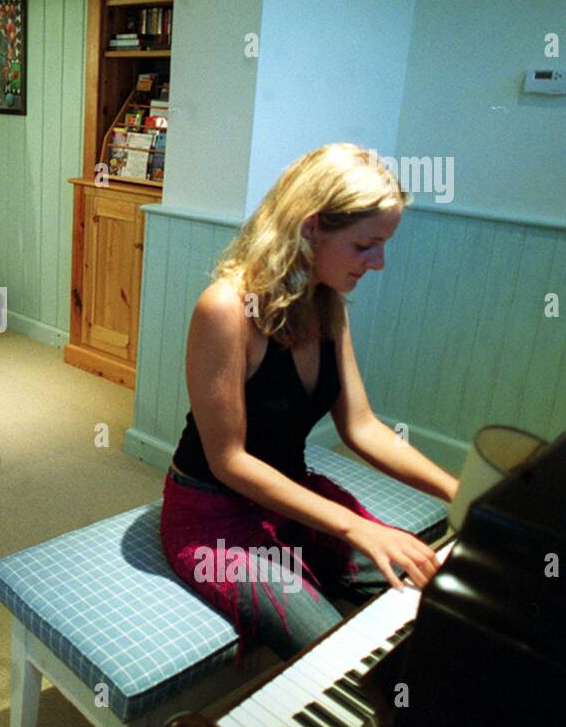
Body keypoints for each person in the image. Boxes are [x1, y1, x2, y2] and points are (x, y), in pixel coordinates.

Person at [160, 144, 459, 660]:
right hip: (214, 516)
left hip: (291, 491)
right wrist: (355, 525)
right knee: (335, 650)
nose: (379, 263)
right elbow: (228, 461)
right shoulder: (225, 310)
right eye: (366, 244)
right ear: (311, 226)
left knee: (428, 593)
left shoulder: (328, 303)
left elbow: (362, 427)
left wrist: (463, 492)